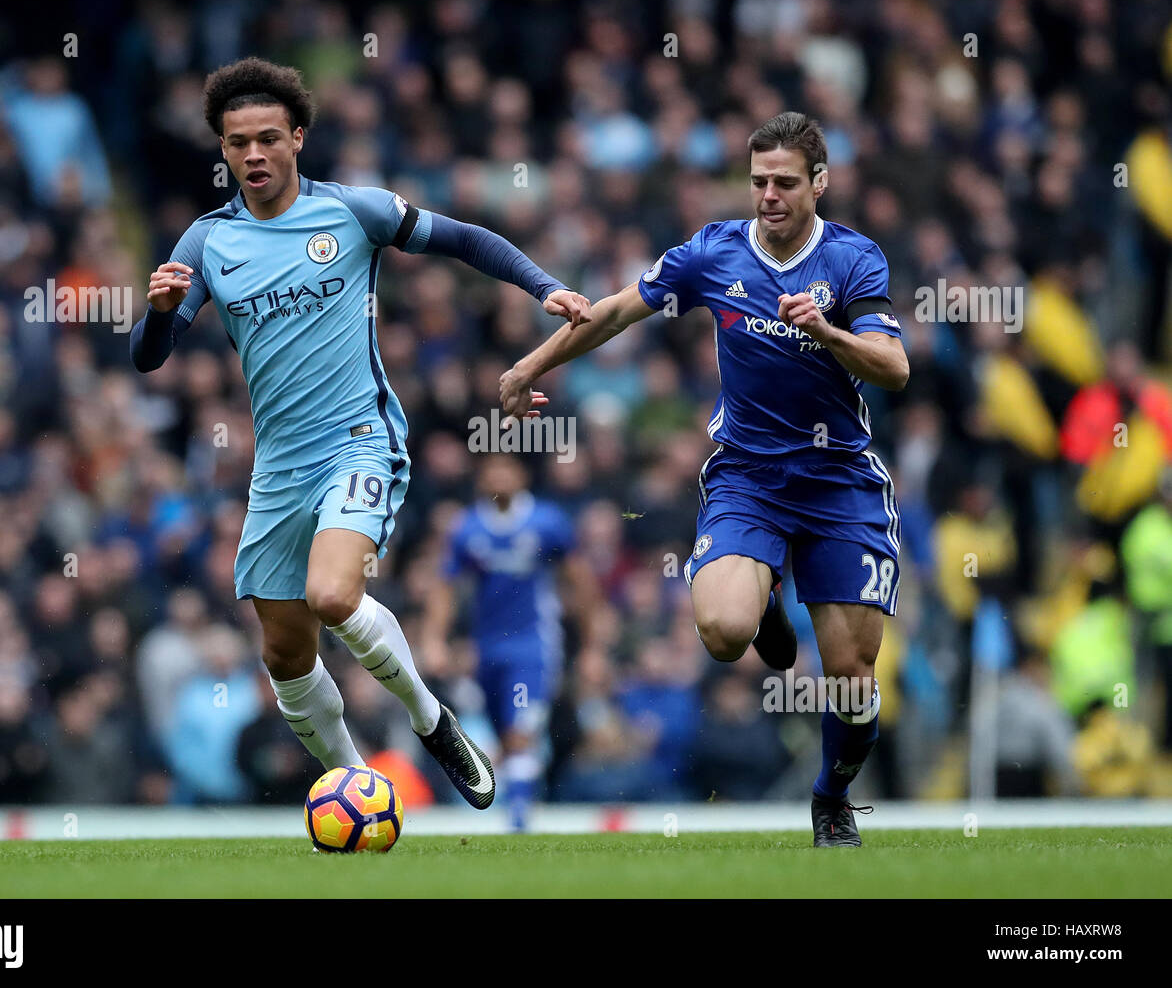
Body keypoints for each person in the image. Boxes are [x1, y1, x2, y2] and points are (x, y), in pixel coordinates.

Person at [130, 57, 592, 810]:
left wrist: (543, 286)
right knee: (283, 651)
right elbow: (149, 360)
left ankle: (430, 719)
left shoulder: (353, 211)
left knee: (334, 593)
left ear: (297, 138)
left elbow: (465, 239)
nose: (254, 154)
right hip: (278, 467)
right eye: (238, 141)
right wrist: (156, 311)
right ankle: (355, 783)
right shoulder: (206, 243)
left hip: (357, 440)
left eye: (268, 138)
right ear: (222, 150)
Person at [500, 112, 908, 845]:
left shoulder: (854, 260)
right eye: (758, 182)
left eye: (786, 182)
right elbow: (618, 310)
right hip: (748, 476)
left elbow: (894, 367)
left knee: (851, 674)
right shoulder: (713, 251)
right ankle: (762, 603)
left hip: (839, 481)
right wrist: (531, 364)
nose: (769, 195)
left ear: (821, 182)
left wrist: (826, 332)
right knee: (722, 632)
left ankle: (831, 795)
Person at [423, 453, 598, 829]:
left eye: (507, 469)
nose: (499, 477)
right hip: (487, 649)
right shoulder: (468, 528)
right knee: (503, 735)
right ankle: (517, 801)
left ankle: (519, 815)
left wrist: (591, 646)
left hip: (533, 645)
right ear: (482, 479)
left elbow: (580, 580)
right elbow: (445, 586)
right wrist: (435, 639)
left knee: (522, 730)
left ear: (521, 475)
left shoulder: (546, 522)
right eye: (491, 470)